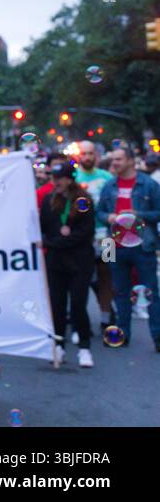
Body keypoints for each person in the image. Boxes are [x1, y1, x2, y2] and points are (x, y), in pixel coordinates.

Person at [97, 146, 160, 350]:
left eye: (118, 159)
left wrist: (137, 213)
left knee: (150, 291)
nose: (114, 163)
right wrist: (108, 217)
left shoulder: (149, 184)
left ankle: (157, 337)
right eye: (113, 159)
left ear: (131, 161)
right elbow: (99, 212)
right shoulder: (109, 185)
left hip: (143, 244)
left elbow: (158, 212)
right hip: (112, 243)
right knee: (118, 291)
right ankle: (121, 335)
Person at [39, 159, 97, 367]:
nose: (56, 182)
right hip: (56, 262)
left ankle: (84, 347)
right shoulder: (48, 200)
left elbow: (85, 232)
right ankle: (59, 346)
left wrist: (57, 242)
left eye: (60, 178)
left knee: (78, 305)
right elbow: (42, 229)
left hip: (80, 261)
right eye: (54, 178)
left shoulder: (83, 200)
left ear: (69, 179)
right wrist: (53, 242)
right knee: (57, 305)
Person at [75, 141, 118, 328]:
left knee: (106, 275)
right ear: (79, 156)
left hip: (107, 237)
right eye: (84, 153)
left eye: (91, 153)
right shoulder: (74, 178)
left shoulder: (107, 177)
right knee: (81, 278)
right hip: (83, 238)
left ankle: (106, 316)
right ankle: (79, 320)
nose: (87, 157)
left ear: (96, 155)